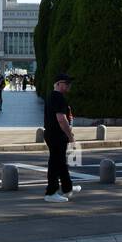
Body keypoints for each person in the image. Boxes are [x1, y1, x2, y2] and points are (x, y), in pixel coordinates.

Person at [44, 73, 81, 202]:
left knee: (60, 162)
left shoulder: (51, 96)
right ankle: (51, 193)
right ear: (59, 84)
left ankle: (67, 188)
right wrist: (70, 136)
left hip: (52, 134)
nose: (69, 85)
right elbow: (61, 119)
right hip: (57, 135)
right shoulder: (59, 98)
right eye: (66, 83)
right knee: (55, 163)